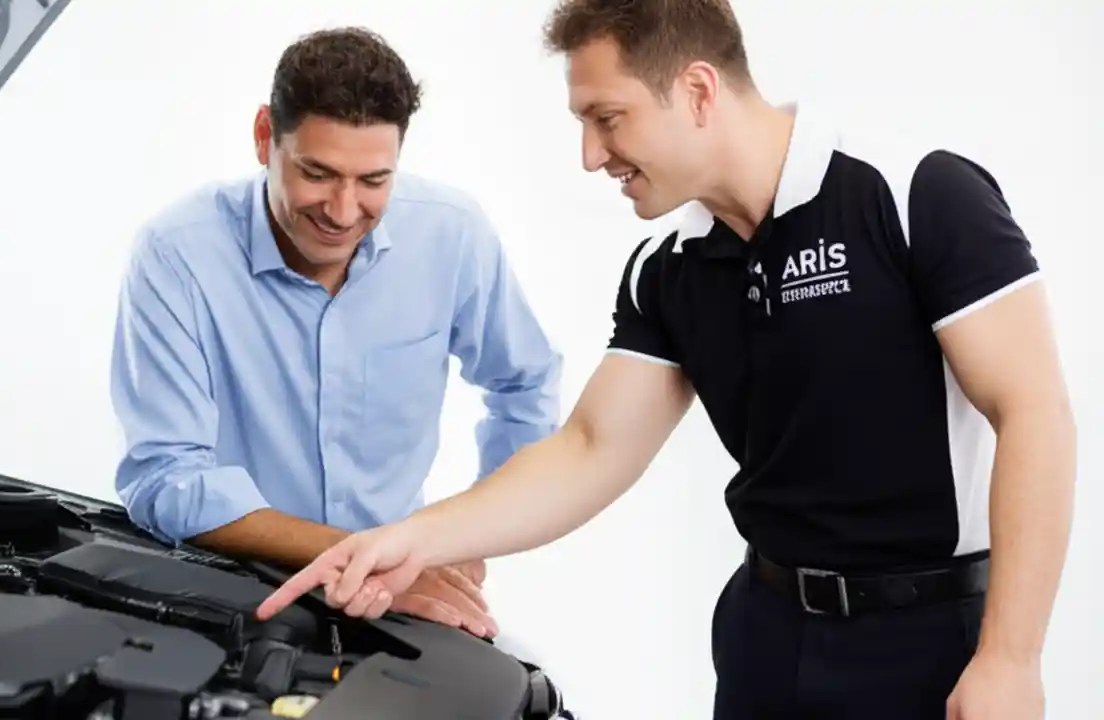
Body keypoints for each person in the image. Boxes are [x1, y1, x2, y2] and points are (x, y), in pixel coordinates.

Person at [255, 2, 1077, 719]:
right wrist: (411, 541)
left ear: (696, 91)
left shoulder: (913, 193)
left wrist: (1011, 658)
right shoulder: (669, 266)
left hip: (931, 638)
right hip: (766, 633)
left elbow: (1033, 409)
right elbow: (589, 450)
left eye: (606, 118)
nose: (589, 153)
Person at [109, 27, 563, 644]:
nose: (344, 211)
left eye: (374, 180)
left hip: (400, 590)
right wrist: (373, 558)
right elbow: (168, 478)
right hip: (237, 588)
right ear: (265, 137)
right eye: (318, 174)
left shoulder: (451, 234)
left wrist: (473, 533)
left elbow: (525, 382)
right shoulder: (177, 255)